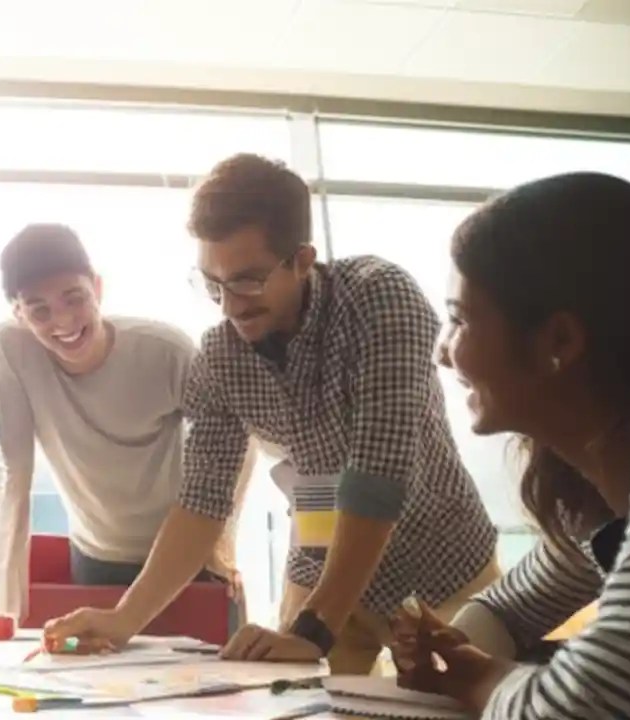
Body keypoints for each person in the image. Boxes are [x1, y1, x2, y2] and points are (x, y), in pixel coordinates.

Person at [44, 154, 499, 674]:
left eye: (248, 280)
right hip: (320, 570)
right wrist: (123, 618)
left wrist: (312, 630)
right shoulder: (220, 356)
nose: (229, 305)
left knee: (468, 701)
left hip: (441, 569)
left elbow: (377, 477)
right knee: (294, 702)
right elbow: (201, 503)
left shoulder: (379, 298)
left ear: (302, 260)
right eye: (213, 283)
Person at [390, 172, 630, 718]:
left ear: (559, 341)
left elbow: (578, 709)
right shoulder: (603, 499)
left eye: (460, 320)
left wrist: (485, 683)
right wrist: (455, 656)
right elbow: (508, 613)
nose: (443, 352)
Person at [0, 223, 252, 620]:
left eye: (73, 298)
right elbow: (14, 474)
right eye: (39, 309)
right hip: (96, 558)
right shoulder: (13, 350)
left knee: (210, 678)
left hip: (186, 555)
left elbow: (238, 443)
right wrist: (5, 611)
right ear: (20, 314)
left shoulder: (164, 351)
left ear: (97, 288)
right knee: (103, 680)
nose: (62, 321)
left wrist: (220, 539)